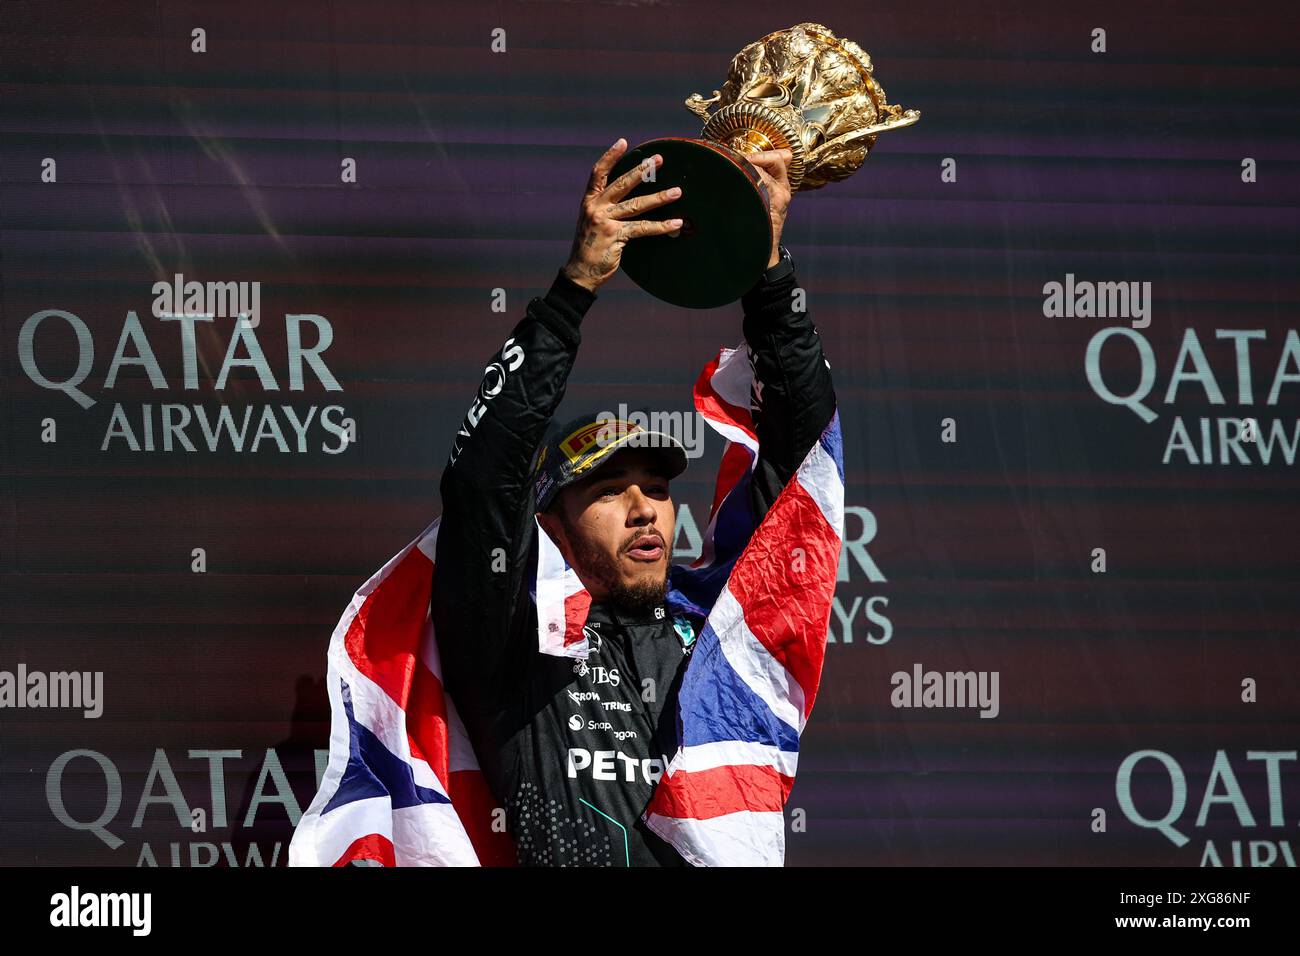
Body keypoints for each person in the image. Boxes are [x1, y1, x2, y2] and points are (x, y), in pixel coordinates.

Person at [432, 137, 837, 866]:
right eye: (609, 491)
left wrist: (765, 267)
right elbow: (481, 485)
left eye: (655, 489)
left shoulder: (722, 633)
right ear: (548, 523)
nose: (645, 507)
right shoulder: (516, 646)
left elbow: (802, 458)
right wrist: (572, 292)